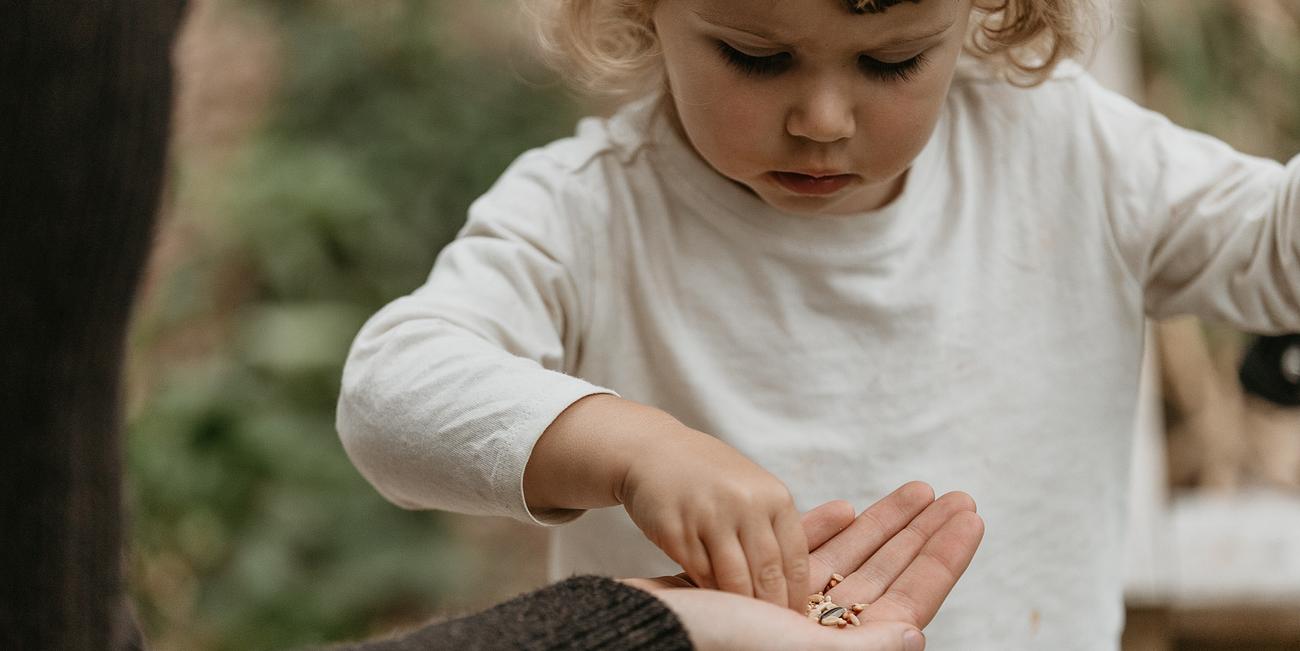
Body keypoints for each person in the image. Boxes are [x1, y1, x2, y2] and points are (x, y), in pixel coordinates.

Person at [334, 0, 1300, 648]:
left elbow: (1273, 255)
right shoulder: (591, 211)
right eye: (757, 57)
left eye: (894, 61)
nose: (824, 117)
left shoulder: (1072, 151)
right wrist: (635, 448)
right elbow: (390, 393)